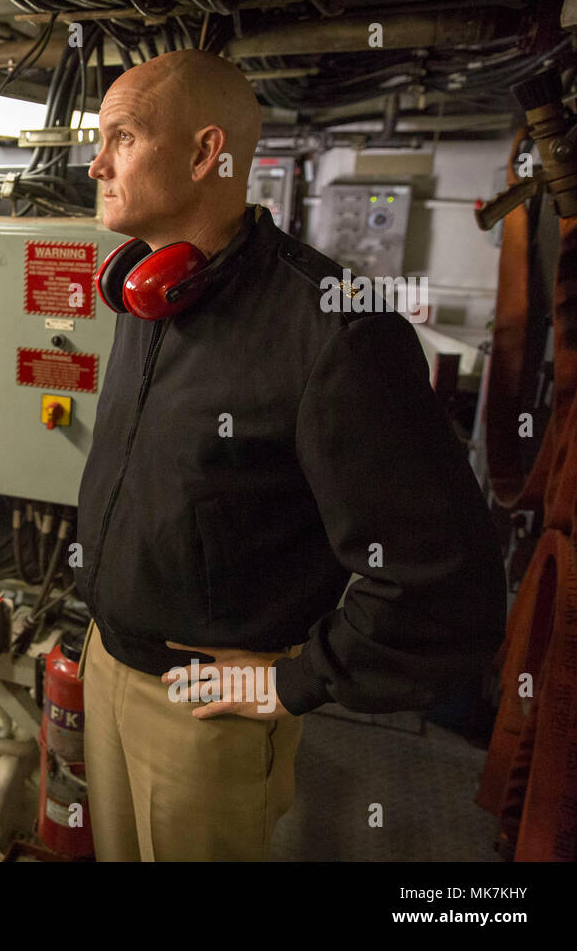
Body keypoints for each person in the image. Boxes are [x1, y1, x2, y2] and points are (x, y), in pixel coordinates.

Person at [74, 49, 506, 861]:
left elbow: (443, 578)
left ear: (206, 154)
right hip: (108, 664)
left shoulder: (335, 333)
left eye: (122, 137)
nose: (96, 164)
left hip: (202, 711)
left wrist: (292, 681)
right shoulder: (147, 294)